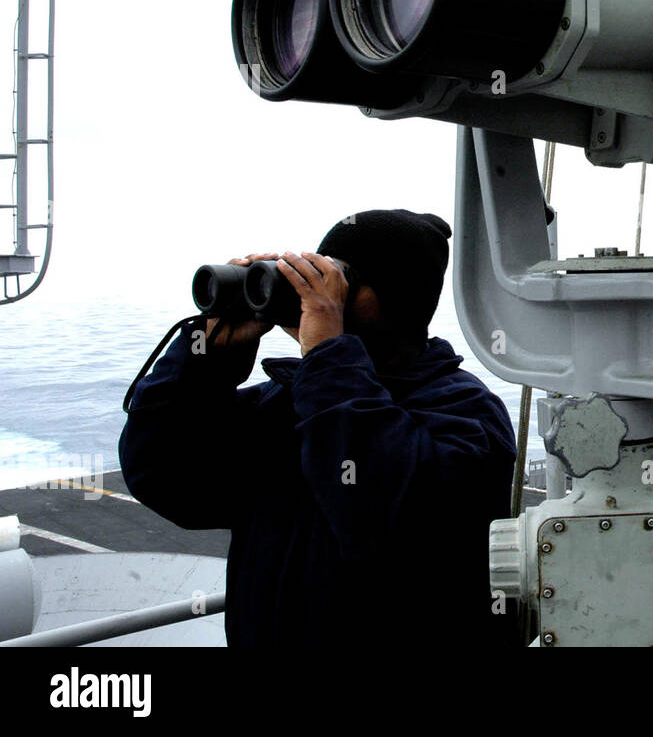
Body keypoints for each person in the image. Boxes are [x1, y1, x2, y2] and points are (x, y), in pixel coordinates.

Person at [120, 209, 517, 646]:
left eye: (341, 278)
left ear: (398, 300)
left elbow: (376, 514)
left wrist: (328, 356)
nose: (325, 293)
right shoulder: (289, 403)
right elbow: (165, 481)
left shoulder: (467, 414)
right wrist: (206, 363)